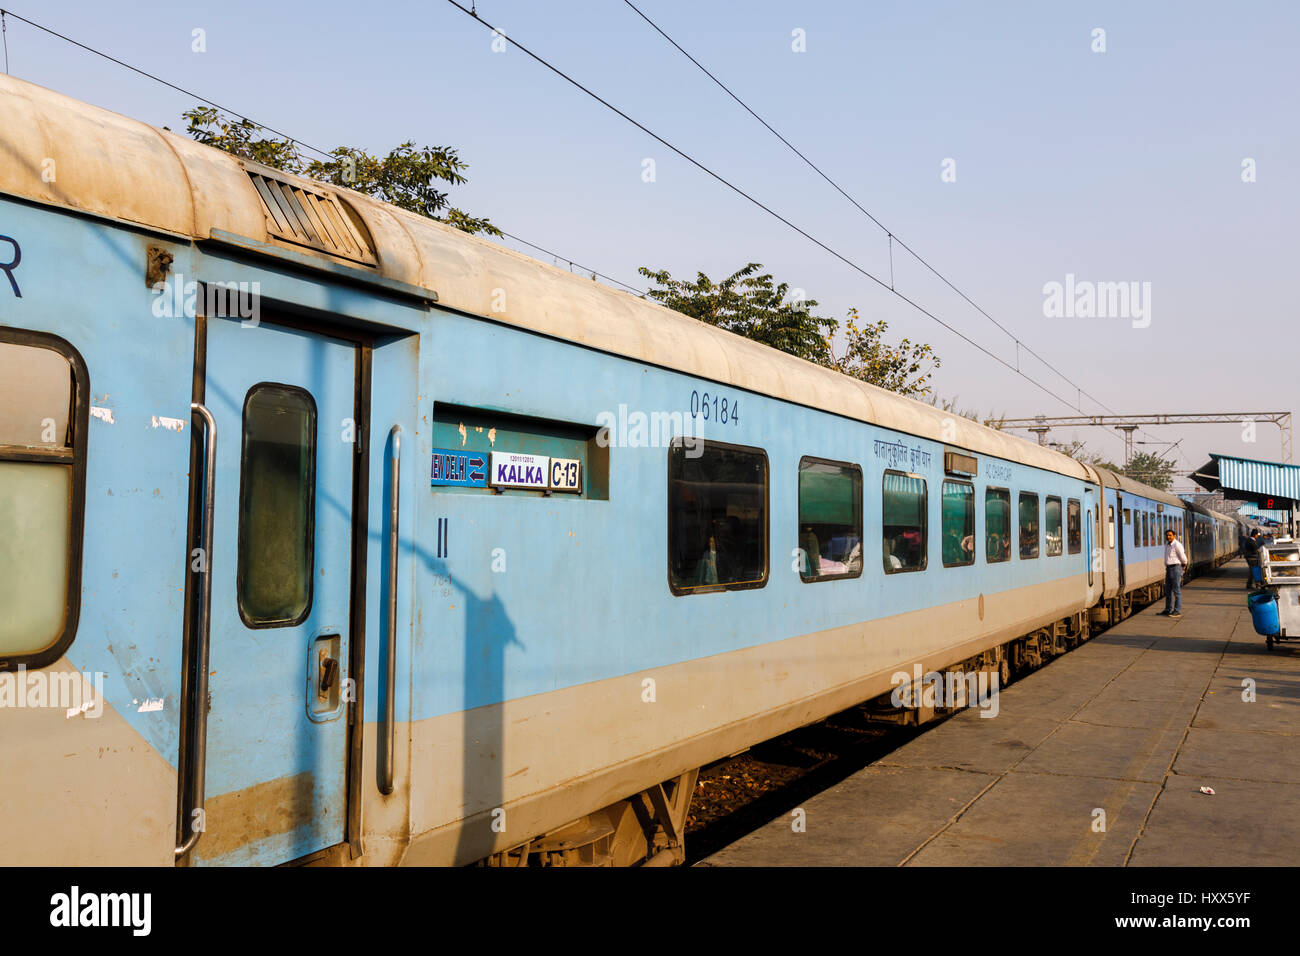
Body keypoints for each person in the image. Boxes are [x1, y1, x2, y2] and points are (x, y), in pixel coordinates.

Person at [1158, 528, 1188, 617]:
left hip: (1175, 568)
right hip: (1169, 569)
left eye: (1170, 535)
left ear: (1174, 536)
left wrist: (1184, 565)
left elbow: (1183, 557)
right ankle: (1167, 609)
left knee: (1176, 590)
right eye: (1167, 535)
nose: (1168, 537)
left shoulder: (1177, 545)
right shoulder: (1167, 545)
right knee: (1168, 590)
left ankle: (1177, 610)